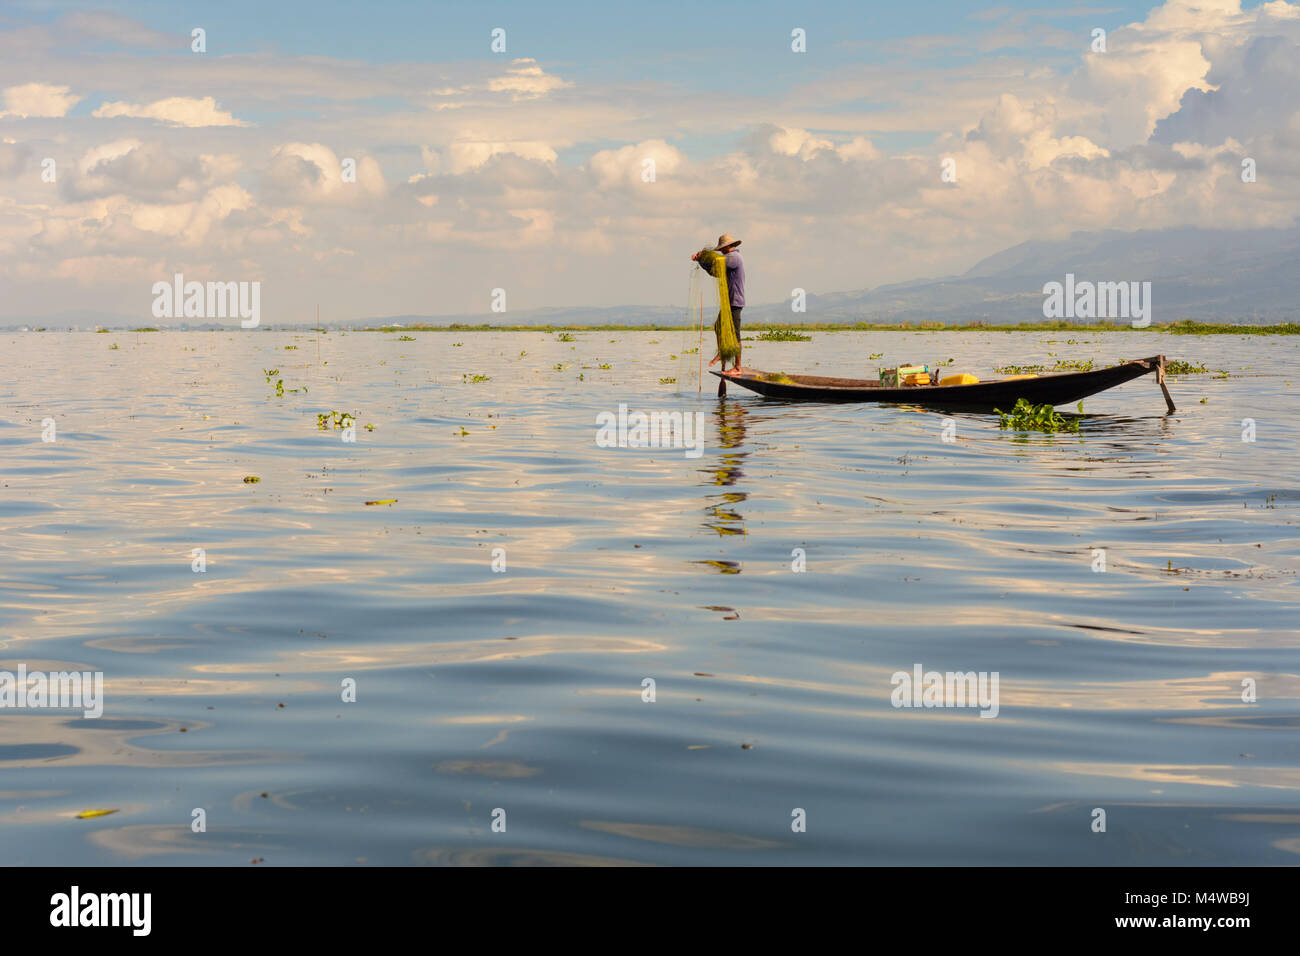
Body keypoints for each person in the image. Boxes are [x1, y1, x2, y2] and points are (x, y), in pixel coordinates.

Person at [690, 233, 746, 374]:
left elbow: (716, 263)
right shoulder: (727, 259)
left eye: (722, 248)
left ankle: (738, 367)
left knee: (735, 334)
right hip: (729, 302)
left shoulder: (734, 258)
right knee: (718, 327)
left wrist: (702, 257)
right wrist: (701, 262)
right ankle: (722, 352)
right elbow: (715, 272)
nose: (720, 251)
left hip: (735, 301)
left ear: (727, 247)